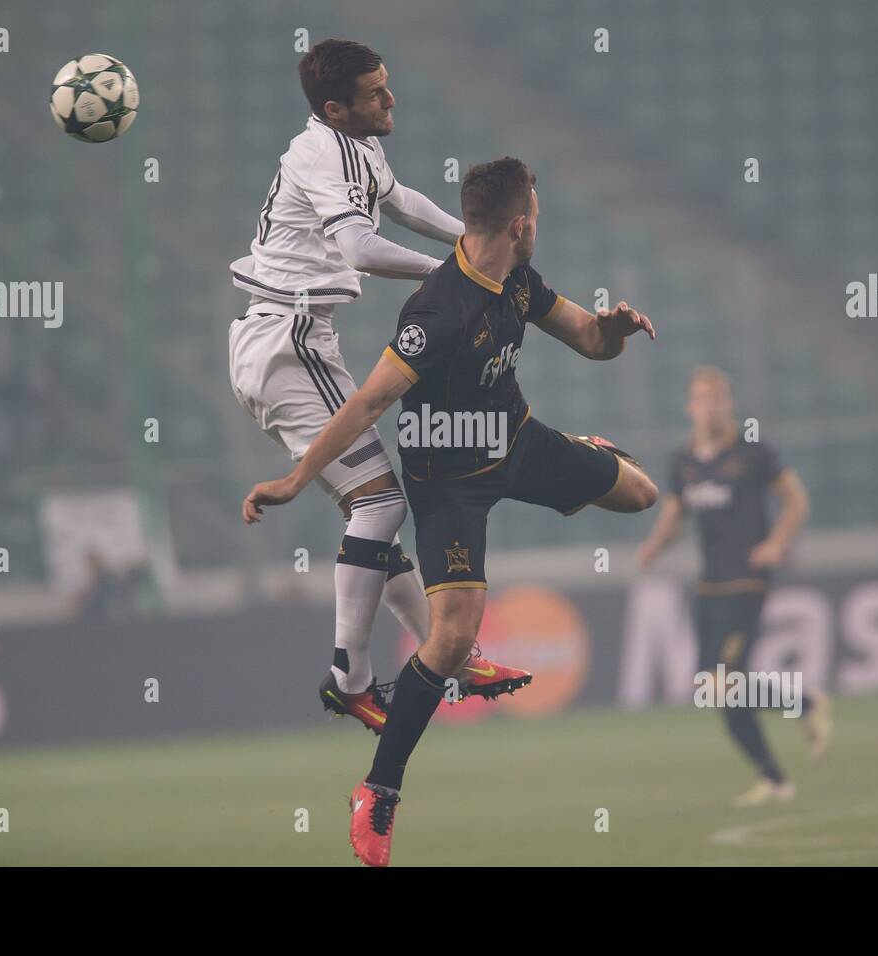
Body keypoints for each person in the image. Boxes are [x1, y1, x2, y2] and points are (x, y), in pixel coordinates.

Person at [244, 157, 659, 865]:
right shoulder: (437, 311)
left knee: (641, 495)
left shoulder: (518, 282)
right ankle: (378, 792)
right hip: (448, 484)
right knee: (454, 636)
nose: (539, 231)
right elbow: (370, 400)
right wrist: (297, 475)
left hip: (519, 442)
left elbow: (591, 340)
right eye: (538, 220)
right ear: (520, 225)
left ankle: (586, 453)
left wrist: (615, 328)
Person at [228, 40, 532, 735]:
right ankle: (349, 676)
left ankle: (448, 653)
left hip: (290, 339)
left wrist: (476, 240)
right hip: (287, 339)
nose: (390, 99)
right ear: (336, 108)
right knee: (383, 503)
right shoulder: (321, 154)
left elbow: (400, 202)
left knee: (372, 510)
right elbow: (360, 249)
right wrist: (454, 275)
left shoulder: (354, 148)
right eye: (375, 93)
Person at [637, 366, 829, 807]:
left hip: (747, 580)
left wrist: (777, 543)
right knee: (711, 689)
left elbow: (796, 498)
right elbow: (675, 513)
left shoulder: (754, 453)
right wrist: (655, 547)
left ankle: (796, 725)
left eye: (717, 397)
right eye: (702, 398)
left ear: (729, 404)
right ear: (690, 407)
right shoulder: (682, 462)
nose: (710, 406)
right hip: (709, 584)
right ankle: (784, 755)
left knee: (723, 682)